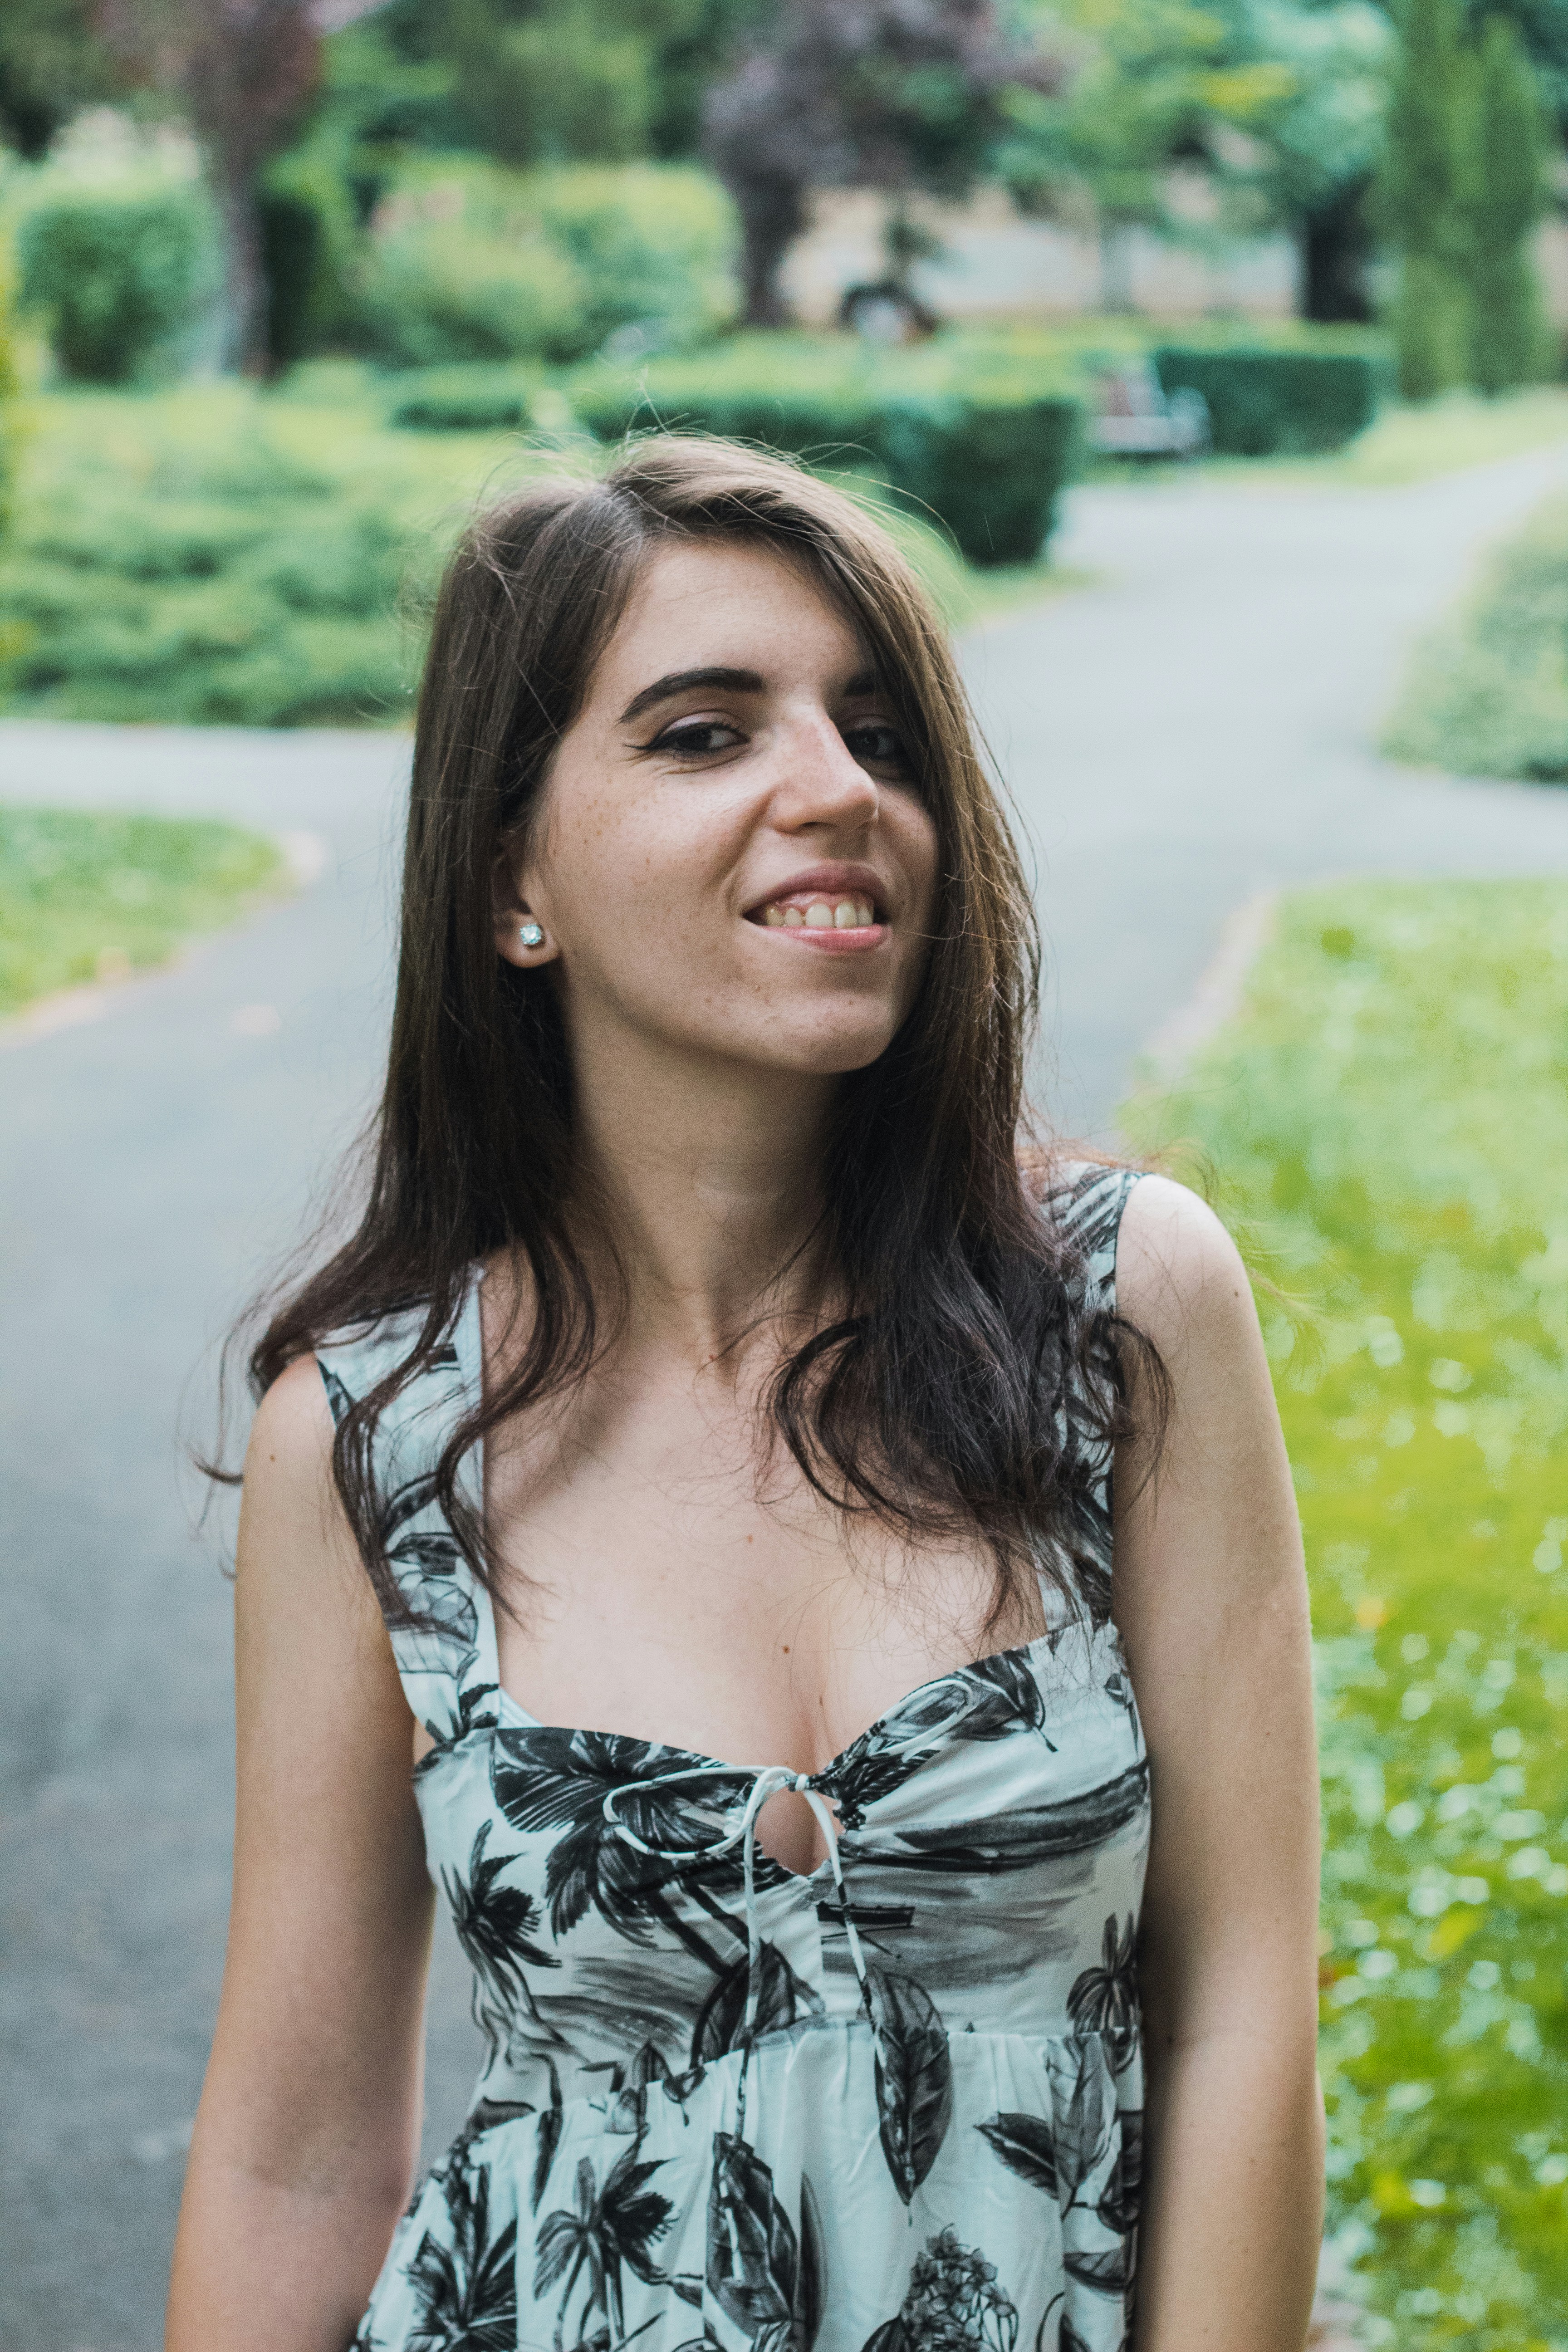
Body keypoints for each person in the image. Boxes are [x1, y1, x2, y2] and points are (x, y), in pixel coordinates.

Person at [166, 438, 1323, 2352]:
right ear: (512, 879)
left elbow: (1240, 2013)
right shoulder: (376, 1438)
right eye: (706, 734)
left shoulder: (1119, 1310)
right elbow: (294, 2157)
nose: (839, 790)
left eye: (879, 735)